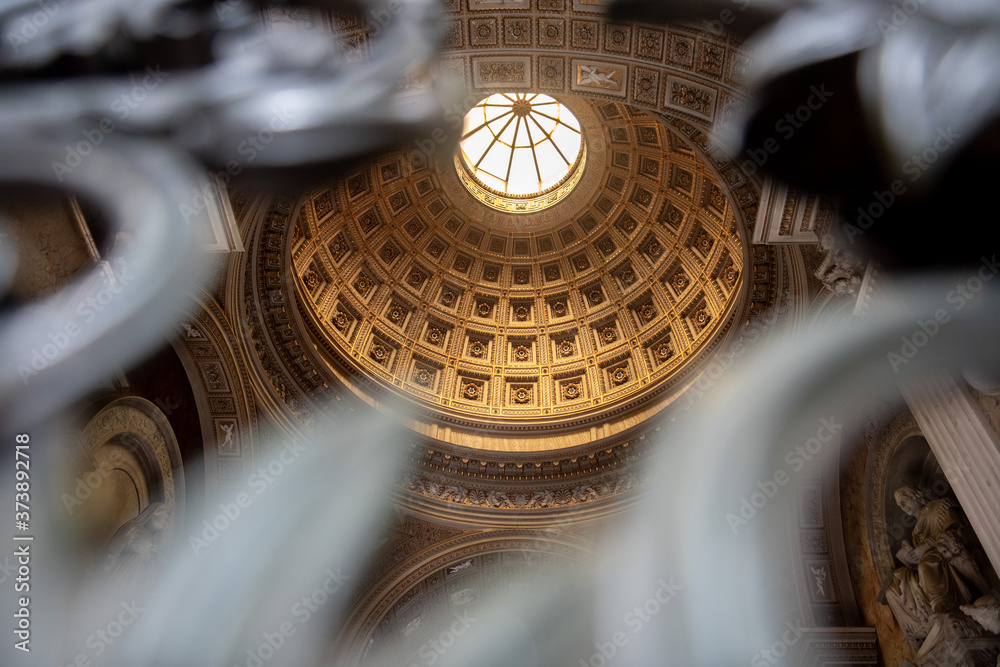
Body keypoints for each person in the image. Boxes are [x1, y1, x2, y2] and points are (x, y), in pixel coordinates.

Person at [886, 486, 987, 643]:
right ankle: (925, 624)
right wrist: (911, 553)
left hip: (945, 554)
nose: (903, 507)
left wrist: (925, 547)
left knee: (926, 565)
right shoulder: (915, 533)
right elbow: (920, 556)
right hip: (930, 560)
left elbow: (959, 532)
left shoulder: (941, 506)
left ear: (917, 495)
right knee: (898, 582)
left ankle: (944, 608)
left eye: (904, 501)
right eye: (900, 505)